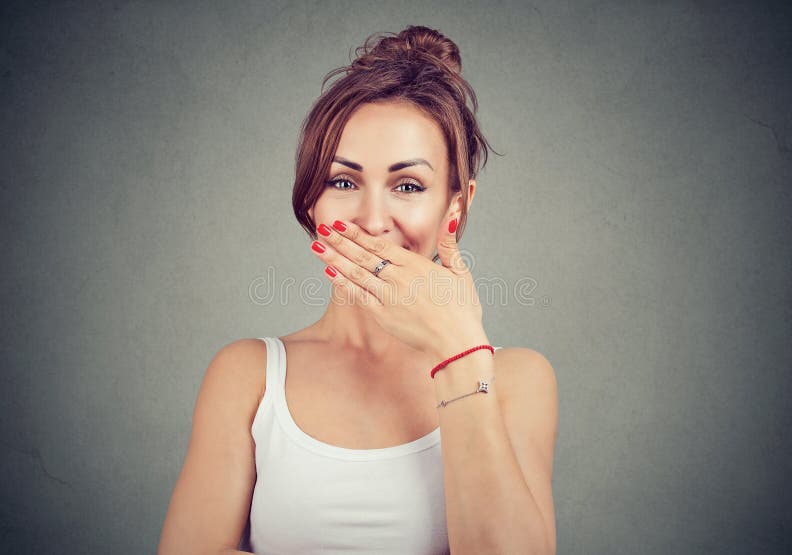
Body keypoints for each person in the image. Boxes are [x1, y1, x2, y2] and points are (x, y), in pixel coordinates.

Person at [158, 25, 558, 555]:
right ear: (310, 204)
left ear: (455, 209)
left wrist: (459, 350)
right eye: (343, 182)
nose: (371, 220)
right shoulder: (247, 374)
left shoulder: (518, 380)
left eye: (408, 186)